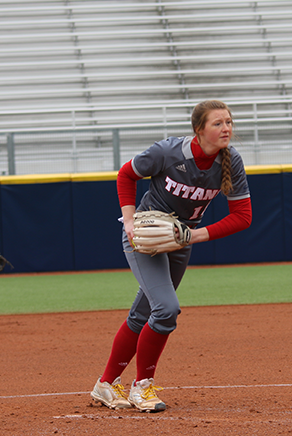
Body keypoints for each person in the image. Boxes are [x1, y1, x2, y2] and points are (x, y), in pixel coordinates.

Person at [89, 100, 253, 412]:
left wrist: (192, 236)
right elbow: (126, 175)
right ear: (199, 129)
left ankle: (105, 384)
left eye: (229, 122)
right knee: (166, 310)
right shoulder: (168, 152)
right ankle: (142, 386)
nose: (226, 128)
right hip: (145, 238)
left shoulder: (231, 161)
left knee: (142, 315)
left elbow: (242, 216)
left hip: (181, 239)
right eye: (218, 123)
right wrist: (128, 220)